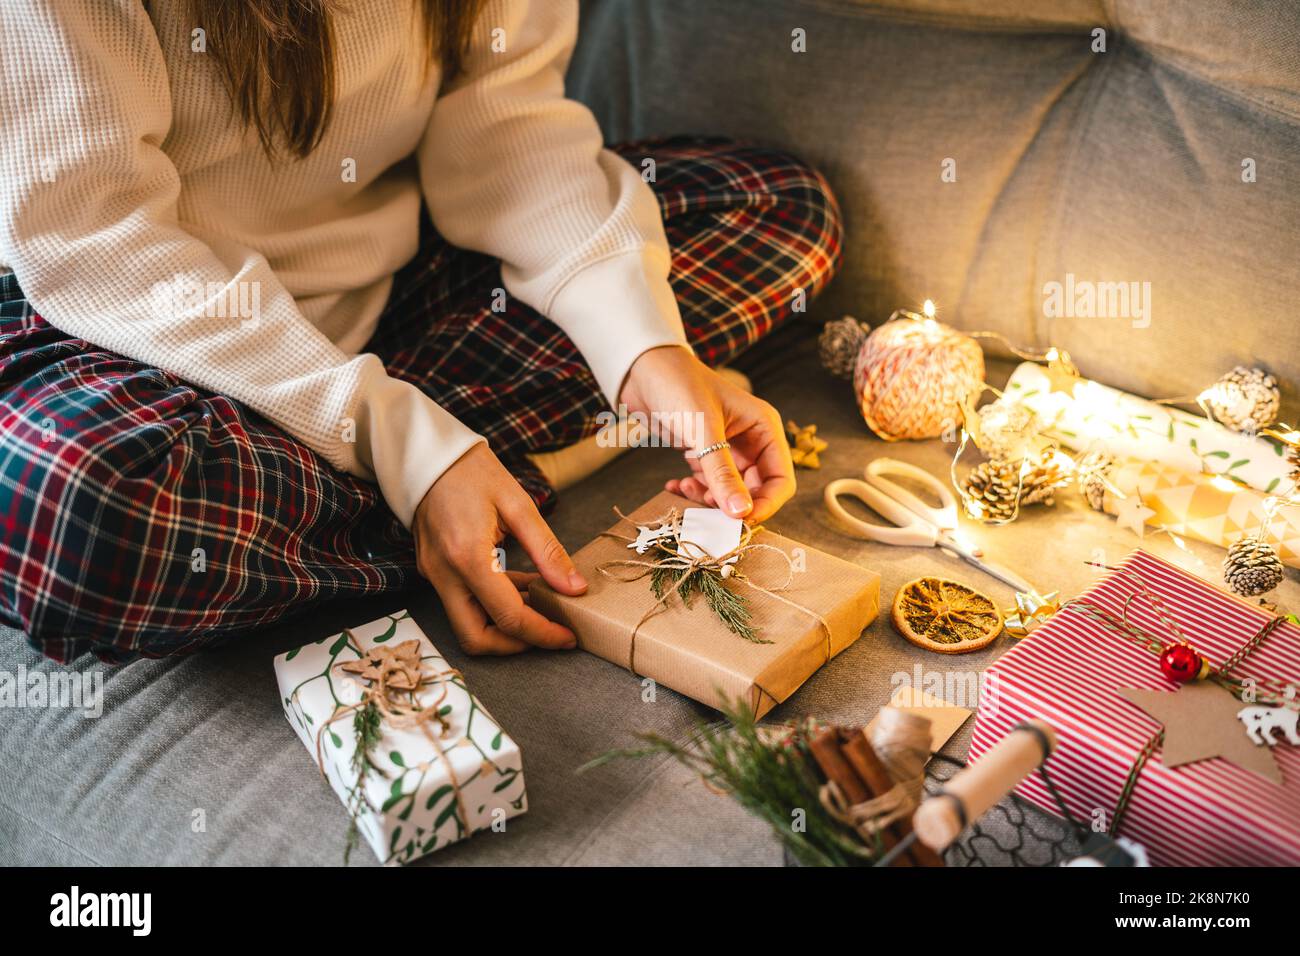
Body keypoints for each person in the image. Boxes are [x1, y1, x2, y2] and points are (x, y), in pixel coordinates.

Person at [0, 0, 841, 664]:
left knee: (780, 206)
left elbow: (503, 132)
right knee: (77, 506)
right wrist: (403, 441)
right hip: (126, 329)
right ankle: (499, 474)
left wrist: (644, 348)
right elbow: (92, 233)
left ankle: (454, 488)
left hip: (388, 306)